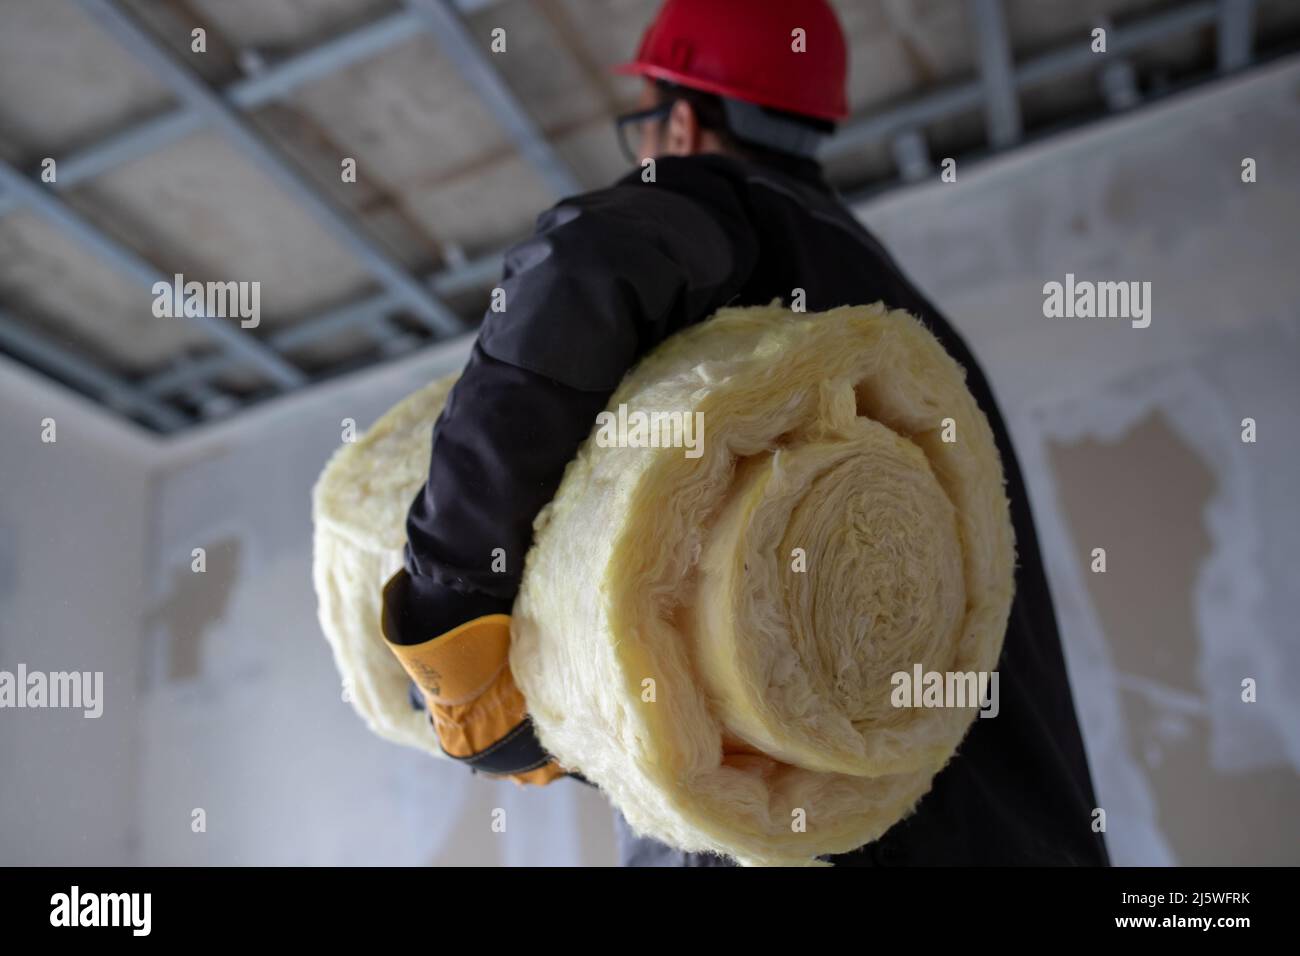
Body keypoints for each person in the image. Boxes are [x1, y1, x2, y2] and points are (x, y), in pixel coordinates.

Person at [379, 0, 1109, 866]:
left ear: (681, 121)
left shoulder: (717, 207)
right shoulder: (913, 339)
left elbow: (581, 269)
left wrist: (450, 608)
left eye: (644, 132)